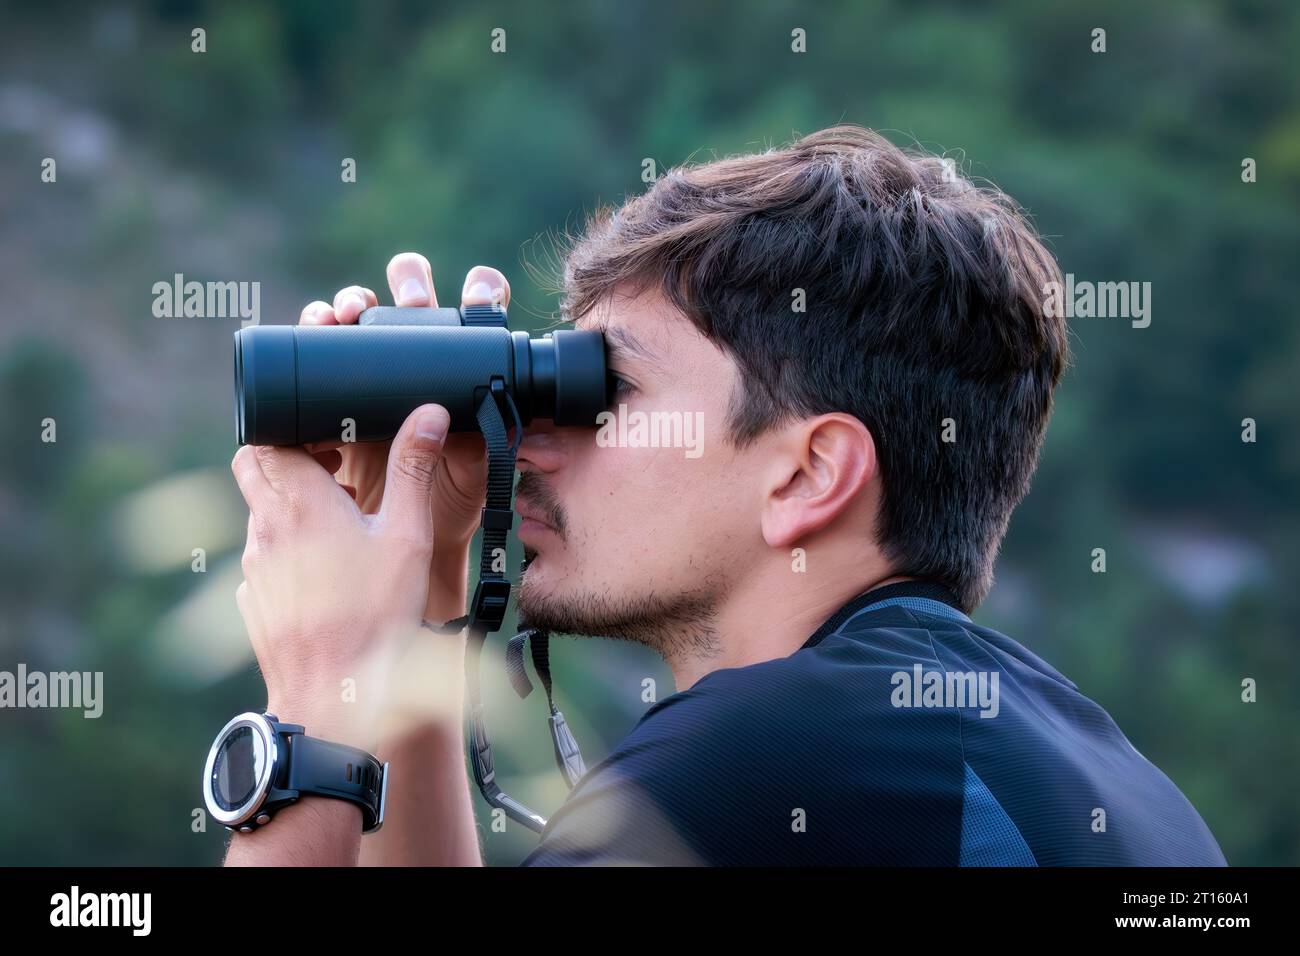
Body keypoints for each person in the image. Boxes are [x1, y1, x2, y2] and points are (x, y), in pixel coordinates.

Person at [223, 126, 1225, 866]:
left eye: (605, 390)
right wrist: (421, 611)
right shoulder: (1103, 769)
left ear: (807, 473)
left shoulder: (763, 756)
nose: (528, 444)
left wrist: (315, 694)